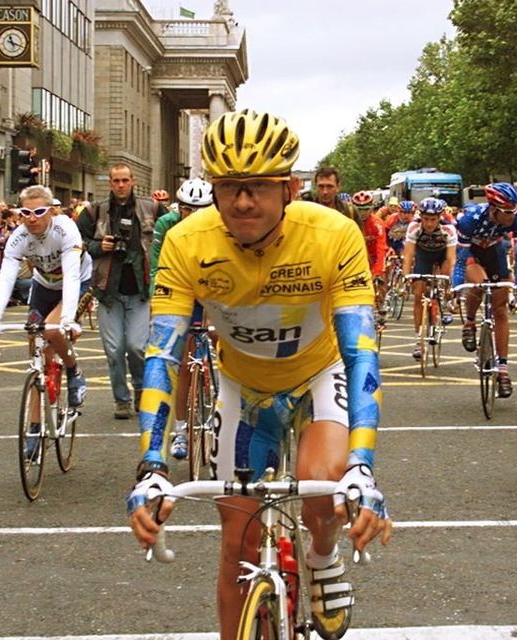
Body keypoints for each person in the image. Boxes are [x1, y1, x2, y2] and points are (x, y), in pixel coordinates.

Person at [127, 109, 391, 640]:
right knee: (237, 545)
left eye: (258, 187)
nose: (243, 201)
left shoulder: (333, 234)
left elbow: (361, 351)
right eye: (229, 187)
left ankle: (320, 557)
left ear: (289, 188)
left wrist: (363, 466)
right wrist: (151, 464)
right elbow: (162, 354)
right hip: (241, 387)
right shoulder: (185, 241)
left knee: (323, 494)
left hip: (319, 375)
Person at [0, 186, 90, 454]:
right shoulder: (18, 238)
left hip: (75, 283)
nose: (31, 218)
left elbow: (72, 277)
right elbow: (6, 279)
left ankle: (74, 371)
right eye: (25, 212)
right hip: (43, 284)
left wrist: (67, 320)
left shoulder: (66, 230)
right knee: (37, 354)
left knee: (53, 332)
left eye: (39, 212)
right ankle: (34, 427)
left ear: (52, 210)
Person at [77, 163, 157, 420]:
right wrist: (100, 246)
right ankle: (121, 400)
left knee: (136, 347)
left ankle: (142, 391)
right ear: (110, 183)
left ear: (133, 181)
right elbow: (78, 242)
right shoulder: (94, 211)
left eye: (125, 180)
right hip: (108, 292)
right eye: (116, 181)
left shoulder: (152, 209)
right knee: (114, 350)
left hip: (140, 290)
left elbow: (173, 232)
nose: (121, 185)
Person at [146, 177, 215, 460]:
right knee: (184, 364)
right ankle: (181, 429)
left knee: (228, 348)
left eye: (200, 210)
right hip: (179, 290)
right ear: (179, 208)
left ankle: (224, 421)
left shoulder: (219, 227)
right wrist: (157, 304)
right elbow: (156, 268)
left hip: (213, 290)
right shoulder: (166, 225)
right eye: (188, 209)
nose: (193, 216)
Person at [452, 182, 517, 398]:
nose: (513, 216)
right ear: (494, 209)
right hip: (472, 254)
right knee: (480, 283)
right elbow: (460, 260)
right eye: (507, 212)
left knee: (500, 309)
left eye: (515, 210)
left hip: (494, 251)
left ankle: (503, 370)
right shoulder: (469, 220)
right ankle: (469, 321)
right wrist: (456, 286)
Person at [402, 197, 457, 358]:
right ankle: (419, 340)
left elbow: (451, 258)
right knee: (419, 295)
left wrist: (449, 281)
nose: (429, 223)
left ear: (440, 217)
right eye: (426, 219)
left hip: (442, 256)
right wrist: (406, 276)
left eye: (433, 219)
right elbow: (409, 254)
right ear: (421, 217)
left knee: (446, 274)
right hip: (424, 256)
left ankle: (445, 301)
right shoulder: (414, 227)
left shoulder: (449, 229)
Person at [350, 191, 389, 324]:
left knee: (380, 279)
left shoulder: (377, 223)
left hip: (374, 255)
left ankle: (381, 304)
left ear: (372, 208)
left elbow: (381, 247)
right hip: (357, 256)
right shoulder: (350, 221)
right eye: (359, 209)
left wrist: (377, 271)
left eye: (366, 209)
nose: (362, 212)